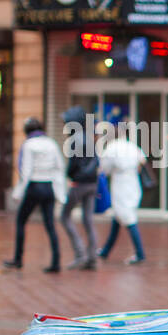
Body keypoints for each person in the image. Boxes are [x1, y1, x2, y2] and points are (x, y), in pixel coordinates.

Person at [3, 117, 66, 273]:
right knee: (50, 225)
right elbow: (59, 167)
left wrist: (18, 192)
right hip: (48, 187)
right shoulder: (51, 143)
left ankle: (18, 259)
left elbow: (26, 170)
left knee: (21, 221)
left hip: (34, 186)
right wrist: (60, 192)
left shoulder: (28, 145)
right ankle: (56, 261)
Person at [97, 123, 149, 265]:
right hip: (133, 183)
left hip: (120, 185)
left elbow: (104, 169)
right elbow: (142, 161)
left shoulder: (112, 148)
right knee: (118, 217)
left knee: (128, 218)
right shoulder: (132, 146)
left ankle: (140, 253)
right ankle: (106, 250)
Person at [59, 106, 100, 270]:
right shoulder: (88, 138)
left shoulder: (76, 139)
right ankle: (92, 257)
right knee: (88, 221)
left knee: (64, 216)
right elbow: (96, 161)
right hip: (92, 183)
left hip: (80, 184)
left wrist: (70, 175)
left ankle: (80, 254)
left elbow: (73, 164)